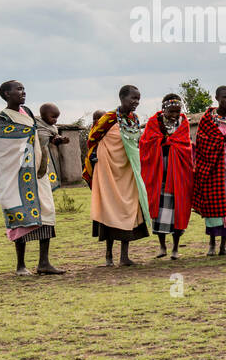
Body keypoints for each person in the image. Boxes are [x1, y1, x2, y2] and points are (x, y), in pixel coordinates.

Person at [0, 81, 62, 275]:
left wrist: (51, 139)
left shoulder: (28, 113)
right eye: (18, 89)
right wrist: (29, 137)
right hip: (17, 176)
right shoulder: (1, 119)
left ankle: (44, 263)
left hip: (38, 173)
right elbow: (2, 148)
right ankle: (20, 265)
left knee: (47, 212)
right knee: (21, 217)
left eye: (23, 89)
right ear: (6, 94)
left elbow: (37, 135)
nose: (23, 92)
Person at [83, 84, 151, 266]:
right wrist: (95, 157)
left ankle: (124, 256)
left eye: (138, 99)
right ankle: (108, 256)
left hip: (128, 171)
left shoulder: (134, 119)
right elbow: (92, 139)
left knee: (128, 209)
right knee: (110, 208)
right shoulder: (110, 118)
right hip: (109, 170)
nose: (136, 102)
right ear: (122, 98)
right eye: (133, 98)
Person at [192, 86, 226, 256]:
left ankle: (223, 246)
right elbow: (202, 142)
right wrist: (222, 142)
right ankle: (211, 245)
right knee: (213, 208)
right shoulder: (207, 119)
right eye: (225, 97)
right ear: (216, 98)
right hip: (212, 170)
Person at [139, 93, 194, 258]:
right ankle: (162, 247)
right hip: (158, 173)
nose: (175, 115)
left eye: (177, 111)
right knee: (159, 212)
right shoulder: (153, 124)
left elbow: (186, 146)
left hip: (178, 175)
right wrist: (163, 142)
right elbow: (145, 145)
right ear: (163, 110)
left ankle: (176, 248)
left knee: (178, 211)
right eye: (171, 111)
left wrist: (170, 143)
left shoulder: (183, 124)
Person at [34, 103, 70, 190]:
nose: (55, 120)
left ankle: (41, 176)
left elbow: (53, 139)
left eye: (57, 117)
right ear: (43, 115)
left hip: (44, 152)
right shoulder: (35, 123)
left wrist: (61, 140)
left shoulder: (52, 128)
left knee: (43, 170)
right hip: (33, 151)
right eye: (53, 117)